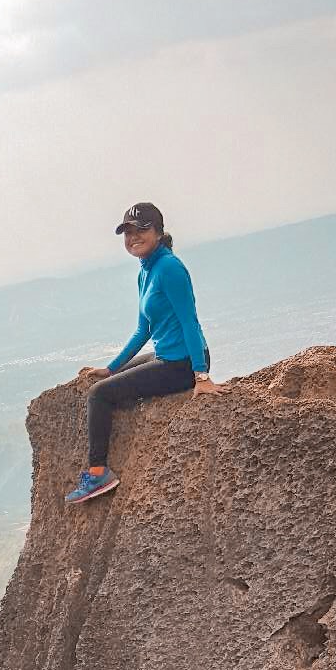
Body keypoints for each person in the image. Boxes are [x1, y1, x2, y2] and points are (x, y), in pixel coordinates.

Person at [65, 202, 227, 505]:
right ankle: (98, 467)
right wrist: (111, 368)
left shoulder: (170, 268)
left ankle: (98, 472)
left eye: (141, 230)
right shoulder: (146, 272)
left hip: (182, 363)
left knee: (98, 395)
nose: (133, 237)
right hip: (166, 355)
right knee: (106, 383)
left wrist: (201, 375)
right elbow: (144, 329)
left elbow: (189, 321)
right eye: (127, 232)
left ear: (158, 232)